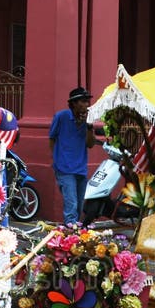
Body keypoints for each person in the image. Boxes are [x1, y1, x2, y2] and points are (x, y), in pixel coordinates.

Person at [49, 86, 96, 225]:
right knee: (71, 206)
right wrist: (55, 160)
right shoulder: (61, 117)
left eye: (88, 101)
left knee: (80, 205)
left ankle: (74, 235)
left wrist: (89, 126)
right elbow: (52, 139)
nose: (87, 105)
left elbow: (90, 144)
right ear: (74, 103)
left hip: (81, 168)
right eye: (83, 101)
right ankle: (70, 237)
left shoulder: (87, 121)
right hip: (64, 168)